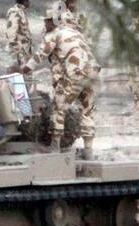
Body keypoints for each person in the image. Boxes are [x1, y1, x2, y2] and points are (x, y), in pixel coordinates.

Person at [37, 12, 98, 158]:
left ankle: (55, 146)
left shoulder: (54, 34)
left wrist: (24, 69)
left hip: (74, 74)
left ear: (51, 22)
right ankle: (88, 150)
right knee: (87, 110)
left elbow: (39, 57)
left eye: (46, 22)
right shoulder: (75, 33)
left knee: (59, 107)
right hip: (92, 74)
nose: (45, 25)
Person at [5, 0, 34, 74]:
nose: (30, 2)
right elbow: (11, 34)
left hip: (25, 52)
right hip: (19, 53)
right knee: (20, 79)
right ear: (25, 0)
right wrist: (17, 54)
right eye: (29, 0)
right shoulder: (15, 12)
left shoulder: (21, 12)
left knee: (27, 78)